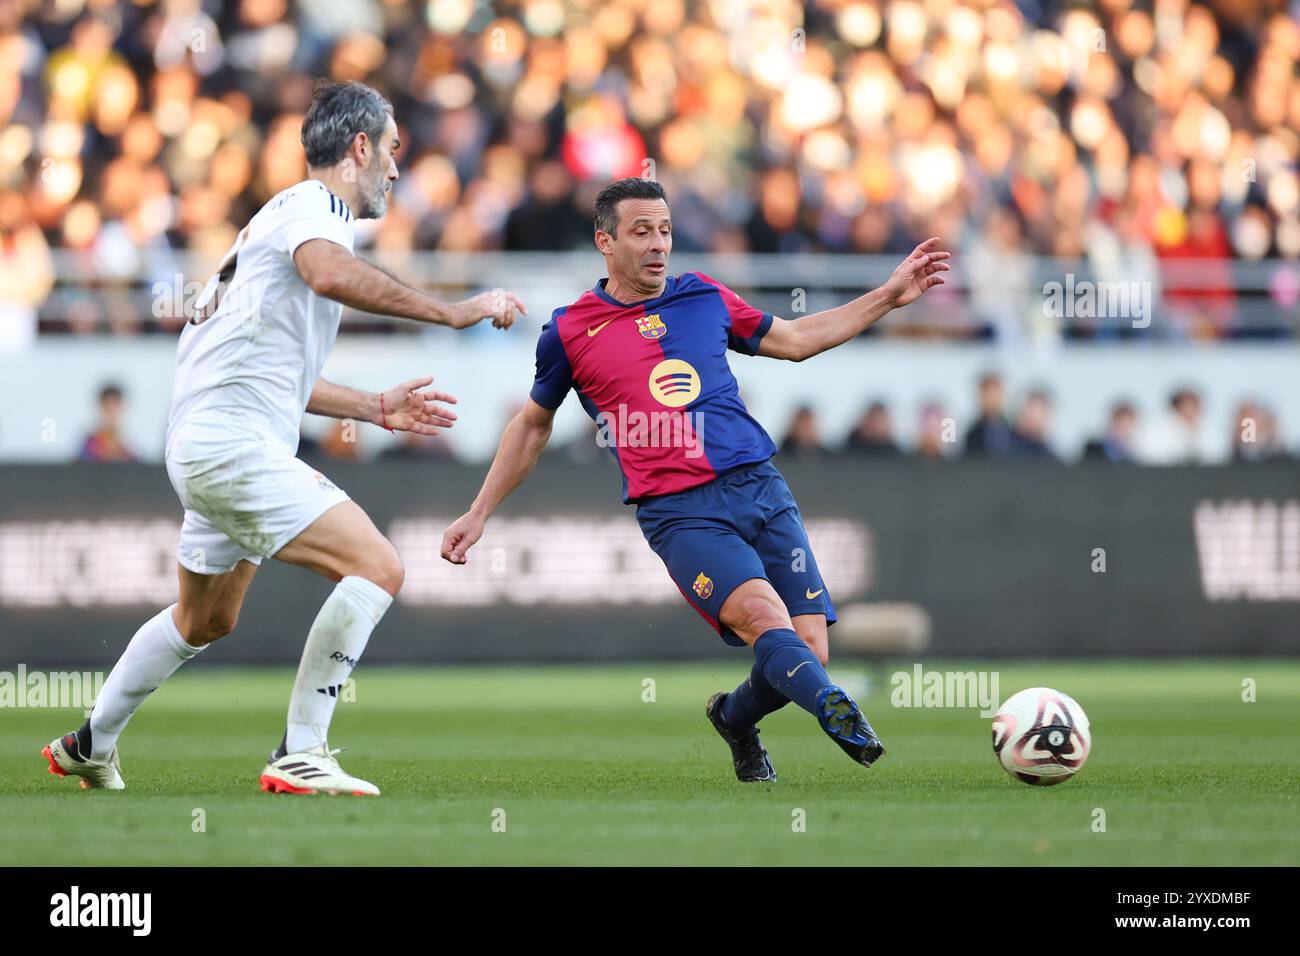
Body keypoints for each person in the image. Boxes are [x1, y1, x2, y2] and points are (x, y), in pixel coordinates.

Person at [42, 80, 526, 796]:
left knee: (205, 618)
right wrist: (450, 312)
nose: (396, 169)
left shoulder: (273, 225)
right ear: (360, 147)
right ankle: (303, 749)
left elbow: (264, 365)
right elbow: (327, 273)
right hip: (232, 444)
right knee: (378, 566)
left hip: (211, 439)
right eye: (392, 151)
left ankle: (90, 742)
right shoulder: (315, 210)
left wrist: (372, 406)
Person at [439, 177, 950, 782]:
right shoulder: (570, 331)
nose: (658, 245)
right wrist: (478, 512)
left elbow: (794, 339)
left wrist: (889, 296)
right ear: (605, 241)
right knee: (765, 620)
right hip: (679, 511)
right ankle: (833, 709)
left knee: (808, 650)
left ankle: (734, 717)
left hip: (760, 486)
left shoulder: (703, 295)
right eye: (641, 232)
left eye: (665, 231)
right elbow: (531, 427)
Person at [78, 384, 138, 463]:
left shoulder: (128, 452)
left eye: (116, 407)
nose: (112, 412)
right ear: (100, 408)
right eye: (107, 407)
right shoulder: (88, 448)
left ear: (123, 409)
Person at [963, 372, 1016, 457]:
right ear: (981, 397)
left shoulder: (1016, 433)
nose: (992, 400)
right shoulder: (972, 436)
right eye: (988, 394)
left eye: (995, 394)